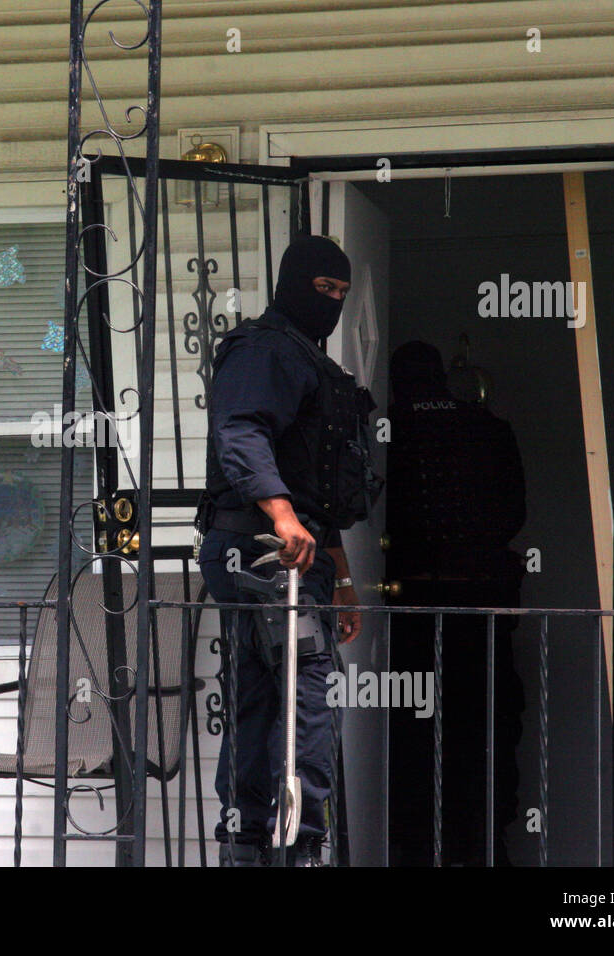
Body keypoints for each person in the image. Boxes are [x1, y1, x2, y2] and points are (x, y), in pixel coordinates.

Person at [197, 235, 376, 867]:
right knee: (301, 698)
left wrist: (345, 582)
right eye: (322, 289)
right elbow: (239, 431)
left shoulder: (310, 360)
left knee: (270, 698)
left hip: (298, 559)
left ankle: (256, 845)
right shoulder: (266, 349)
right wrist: (277, 512)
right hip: (261, 555)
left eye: (340, 295)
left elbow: (316, 496)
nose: (330, 303)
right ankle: (289, 847)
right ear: (292, 284)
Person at [383, 340, 527, 866]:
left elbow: (375, 517)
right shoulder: (487, 425)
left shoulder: (388, 430)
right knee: (487, 725)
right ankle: (486, 842)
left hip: (411, 605)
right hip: (484, 603)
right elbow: (514, 514)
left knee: (413, 727)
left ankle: (419, 844)